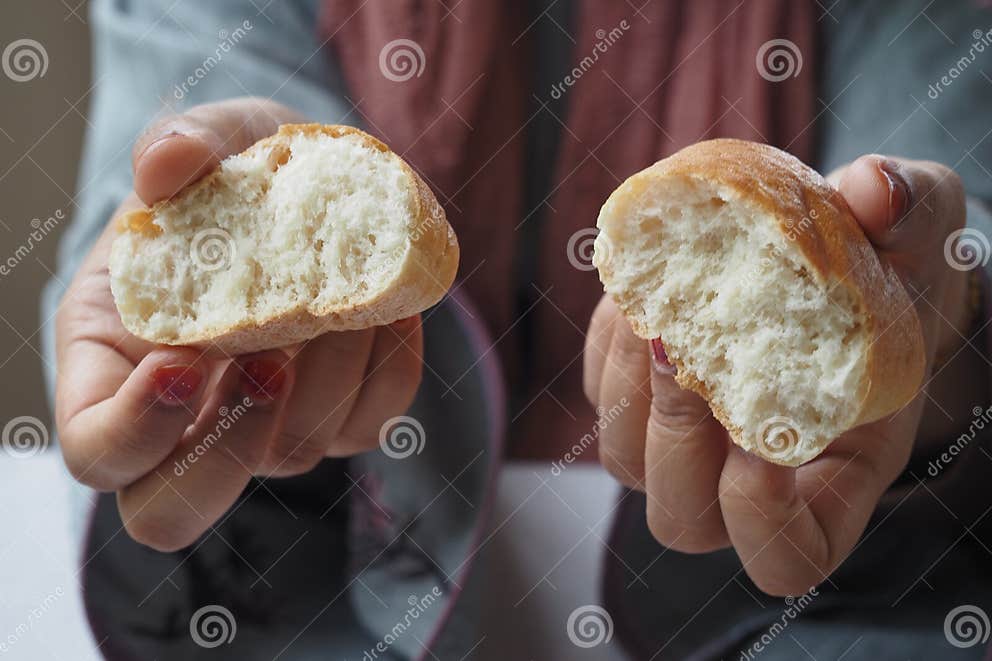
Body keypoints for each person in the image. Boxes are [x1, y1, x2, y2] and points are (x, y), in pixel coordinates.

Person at [44, 0, 992, 658]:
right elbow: (135, 191)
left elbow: (951, 238)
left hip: (789, 620)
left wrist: (949, 345)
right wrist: (167, 375)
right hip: (338, 605)